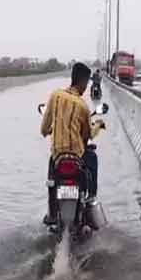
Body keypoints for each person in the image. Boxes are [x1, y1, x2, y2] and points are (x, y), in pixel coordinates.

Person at [40, 62, 106, 224]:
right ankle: (91, 199)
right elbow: (87, 135)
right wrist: (98, 125)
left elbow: (44, 129)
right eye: (86, 83)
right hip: (77, 156)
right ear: (83, 82)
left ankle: (52, 212)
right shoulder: (82, 105)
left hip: (58, 156)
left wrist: (51, 131)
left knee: (51, 175)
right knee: (92, 159)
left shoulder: (55, 96)